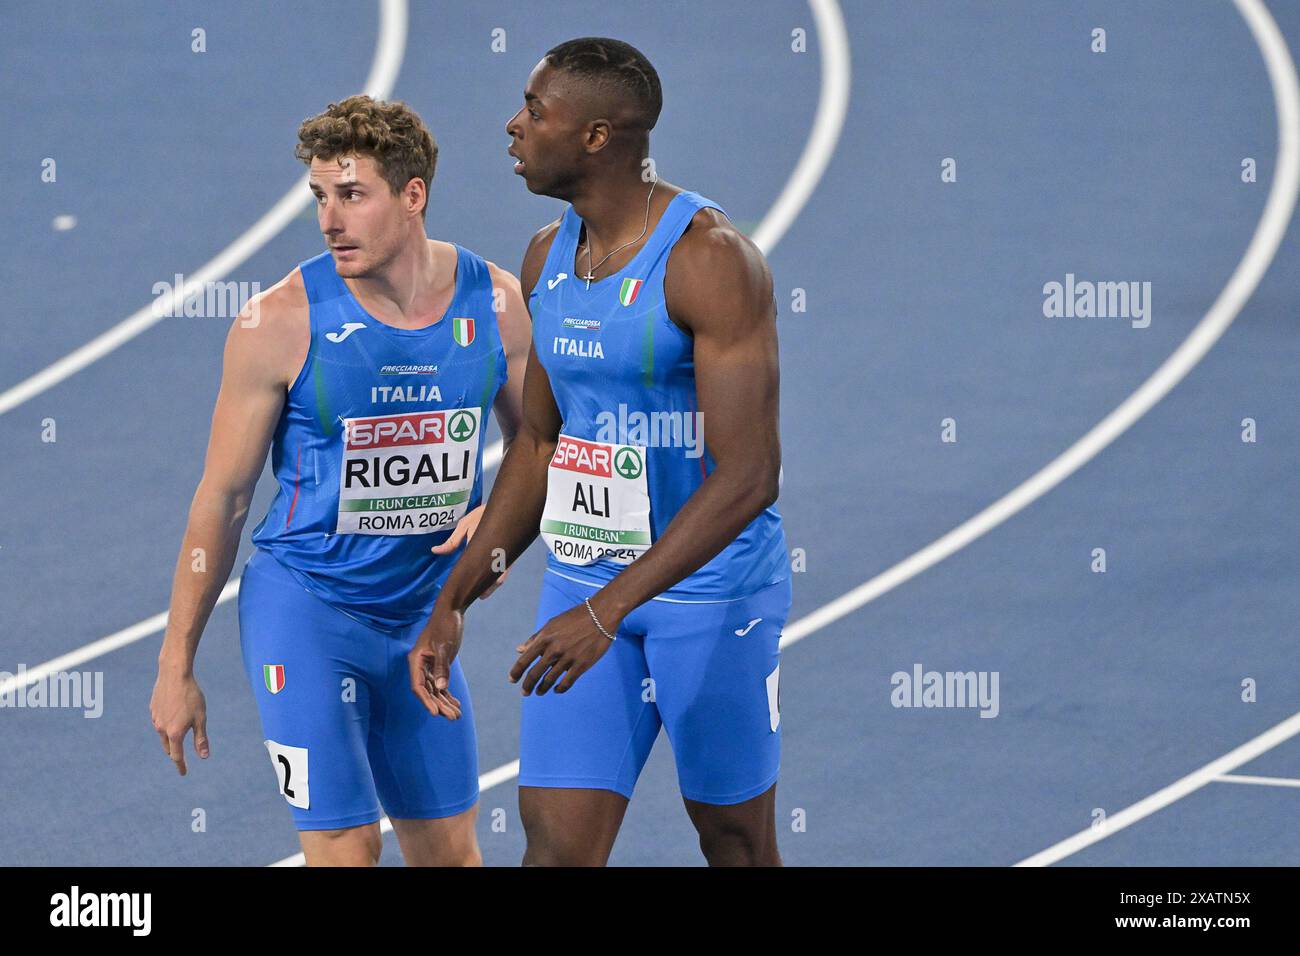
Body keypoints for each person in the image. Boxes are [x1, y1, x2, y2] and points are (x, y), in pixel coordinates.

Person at [409, 38, 791, 866]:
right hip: (584, 584)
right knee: (552, 852)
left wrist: (606, 612)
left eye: (535, 111)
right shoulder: (548, 256)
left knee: (735, 843)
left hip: (710, 597)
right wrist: (455, 599)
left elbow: (752, 475)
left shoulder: (710, 262)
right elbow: (539, 445)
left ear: (598, 136)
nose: (513, 127)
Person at [150, 95, 530, 866]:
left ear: (412, 194)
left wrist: (495, 534)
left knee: (453, 853)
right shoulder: (277, 322)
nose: (329, 219)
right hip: (307, 609)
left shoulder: (495, 304)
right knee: (347, 851)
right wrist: (175, 661)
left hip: (424, 619)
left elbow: (540, 449)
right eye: (320, 197)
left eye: (351, 195)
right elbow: (222, 501)